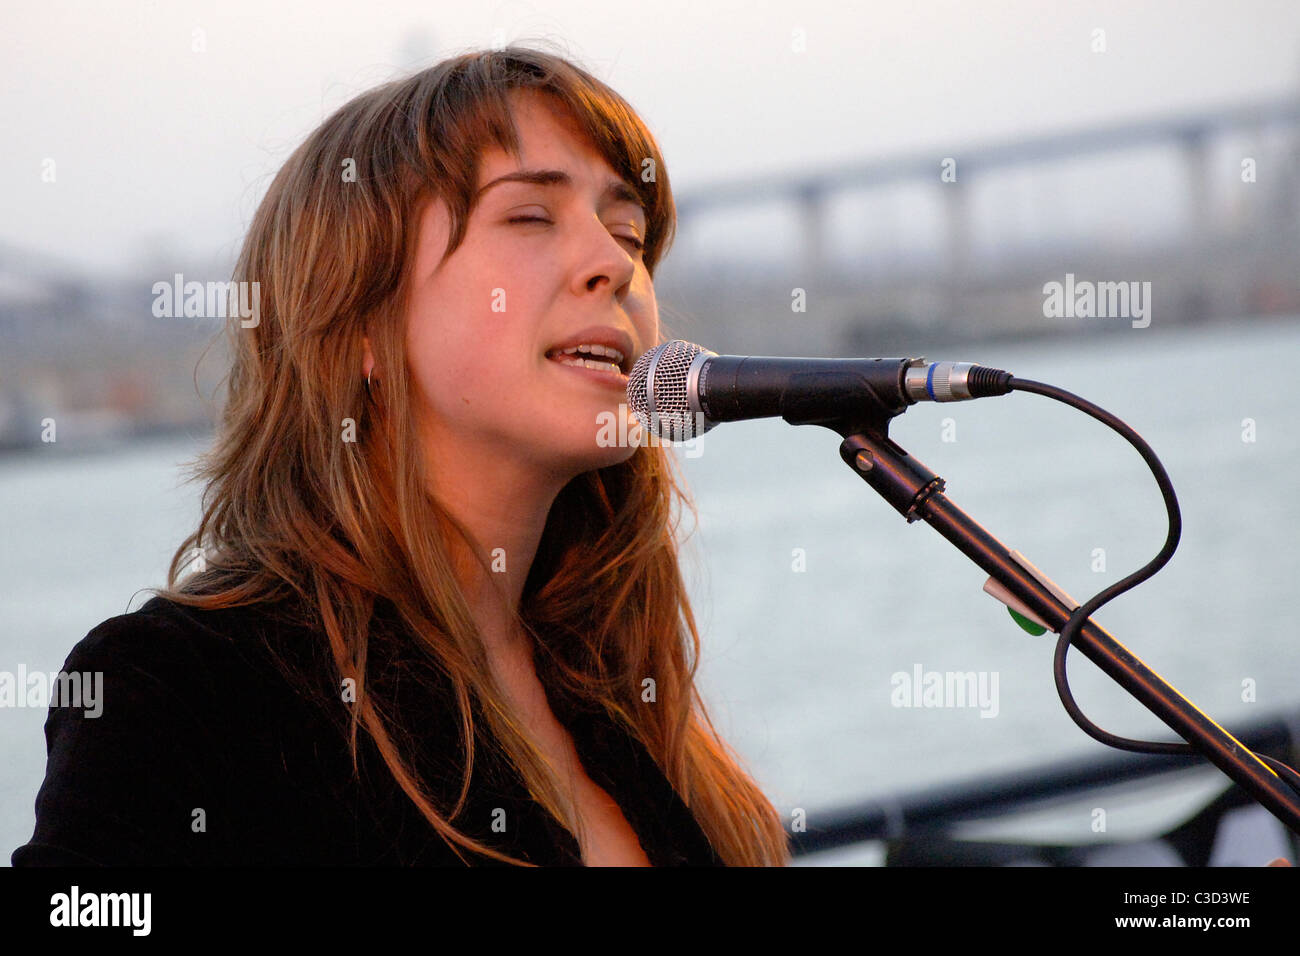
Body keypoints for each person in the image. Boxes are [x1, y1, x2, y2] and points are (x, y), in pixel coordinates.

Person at [12, 44, 790, 867]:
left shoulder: (614, 689)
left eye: (627, 231)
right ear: (357, 324)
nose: (613, 263)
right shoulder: (184, 692)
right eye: (530, 216)